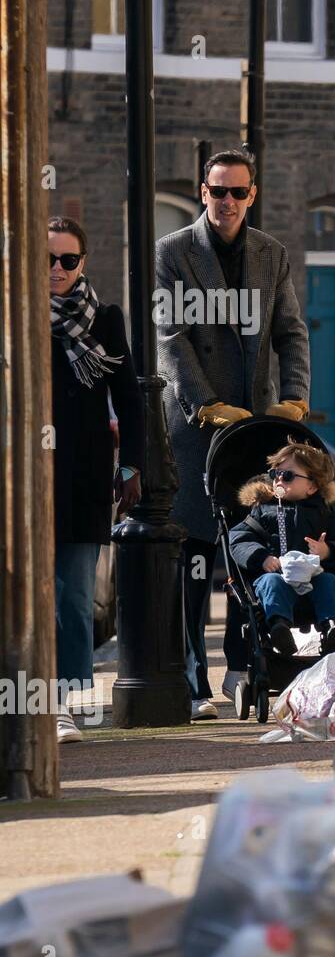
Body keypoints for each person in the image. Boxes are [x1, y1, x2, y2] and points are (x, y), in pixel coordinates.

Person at [156, 150, 311, 718]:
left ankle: (244, 668)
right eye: (217, 192)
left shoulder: (272, 253)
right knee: (196, 551)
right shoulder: (171, 253)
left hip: (256, 429)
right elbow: (171, 339)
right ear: (203, 193)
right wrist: (207, 403)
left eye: (237, 193)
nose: (227, 202)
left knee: (253, 546)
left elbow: (291, 332)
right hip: (197, 428)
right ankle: (195, 681)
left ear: (252, 195)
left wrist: (295, 398)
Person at [48, 217, 144, 744]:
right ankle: (24, 699)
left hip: (84, 474)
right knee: (22, 593)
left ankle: (62, 704)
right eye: (48, 259)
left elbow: (129, 399)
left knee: (74, 597)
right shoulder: (16, 312)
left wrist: (130, 467)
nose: (57, 270)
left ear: (83, 263)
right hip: (24, 478)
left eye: (68, 260)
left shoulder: (105, 319)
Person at [227, 441, 335, 657]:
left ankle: (334, 627)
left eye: (287, 476)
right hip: (278, 577)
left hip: (315, 581)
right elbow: (239, 538)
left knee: (330, 583)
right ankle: (279, 628)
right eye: (275, 474)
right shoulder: (263, 511)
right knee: (271, 583)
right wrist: (261, 557)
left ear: (312, 486)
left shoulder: (325, 515)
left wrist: (328, 551)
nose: (279, 479)